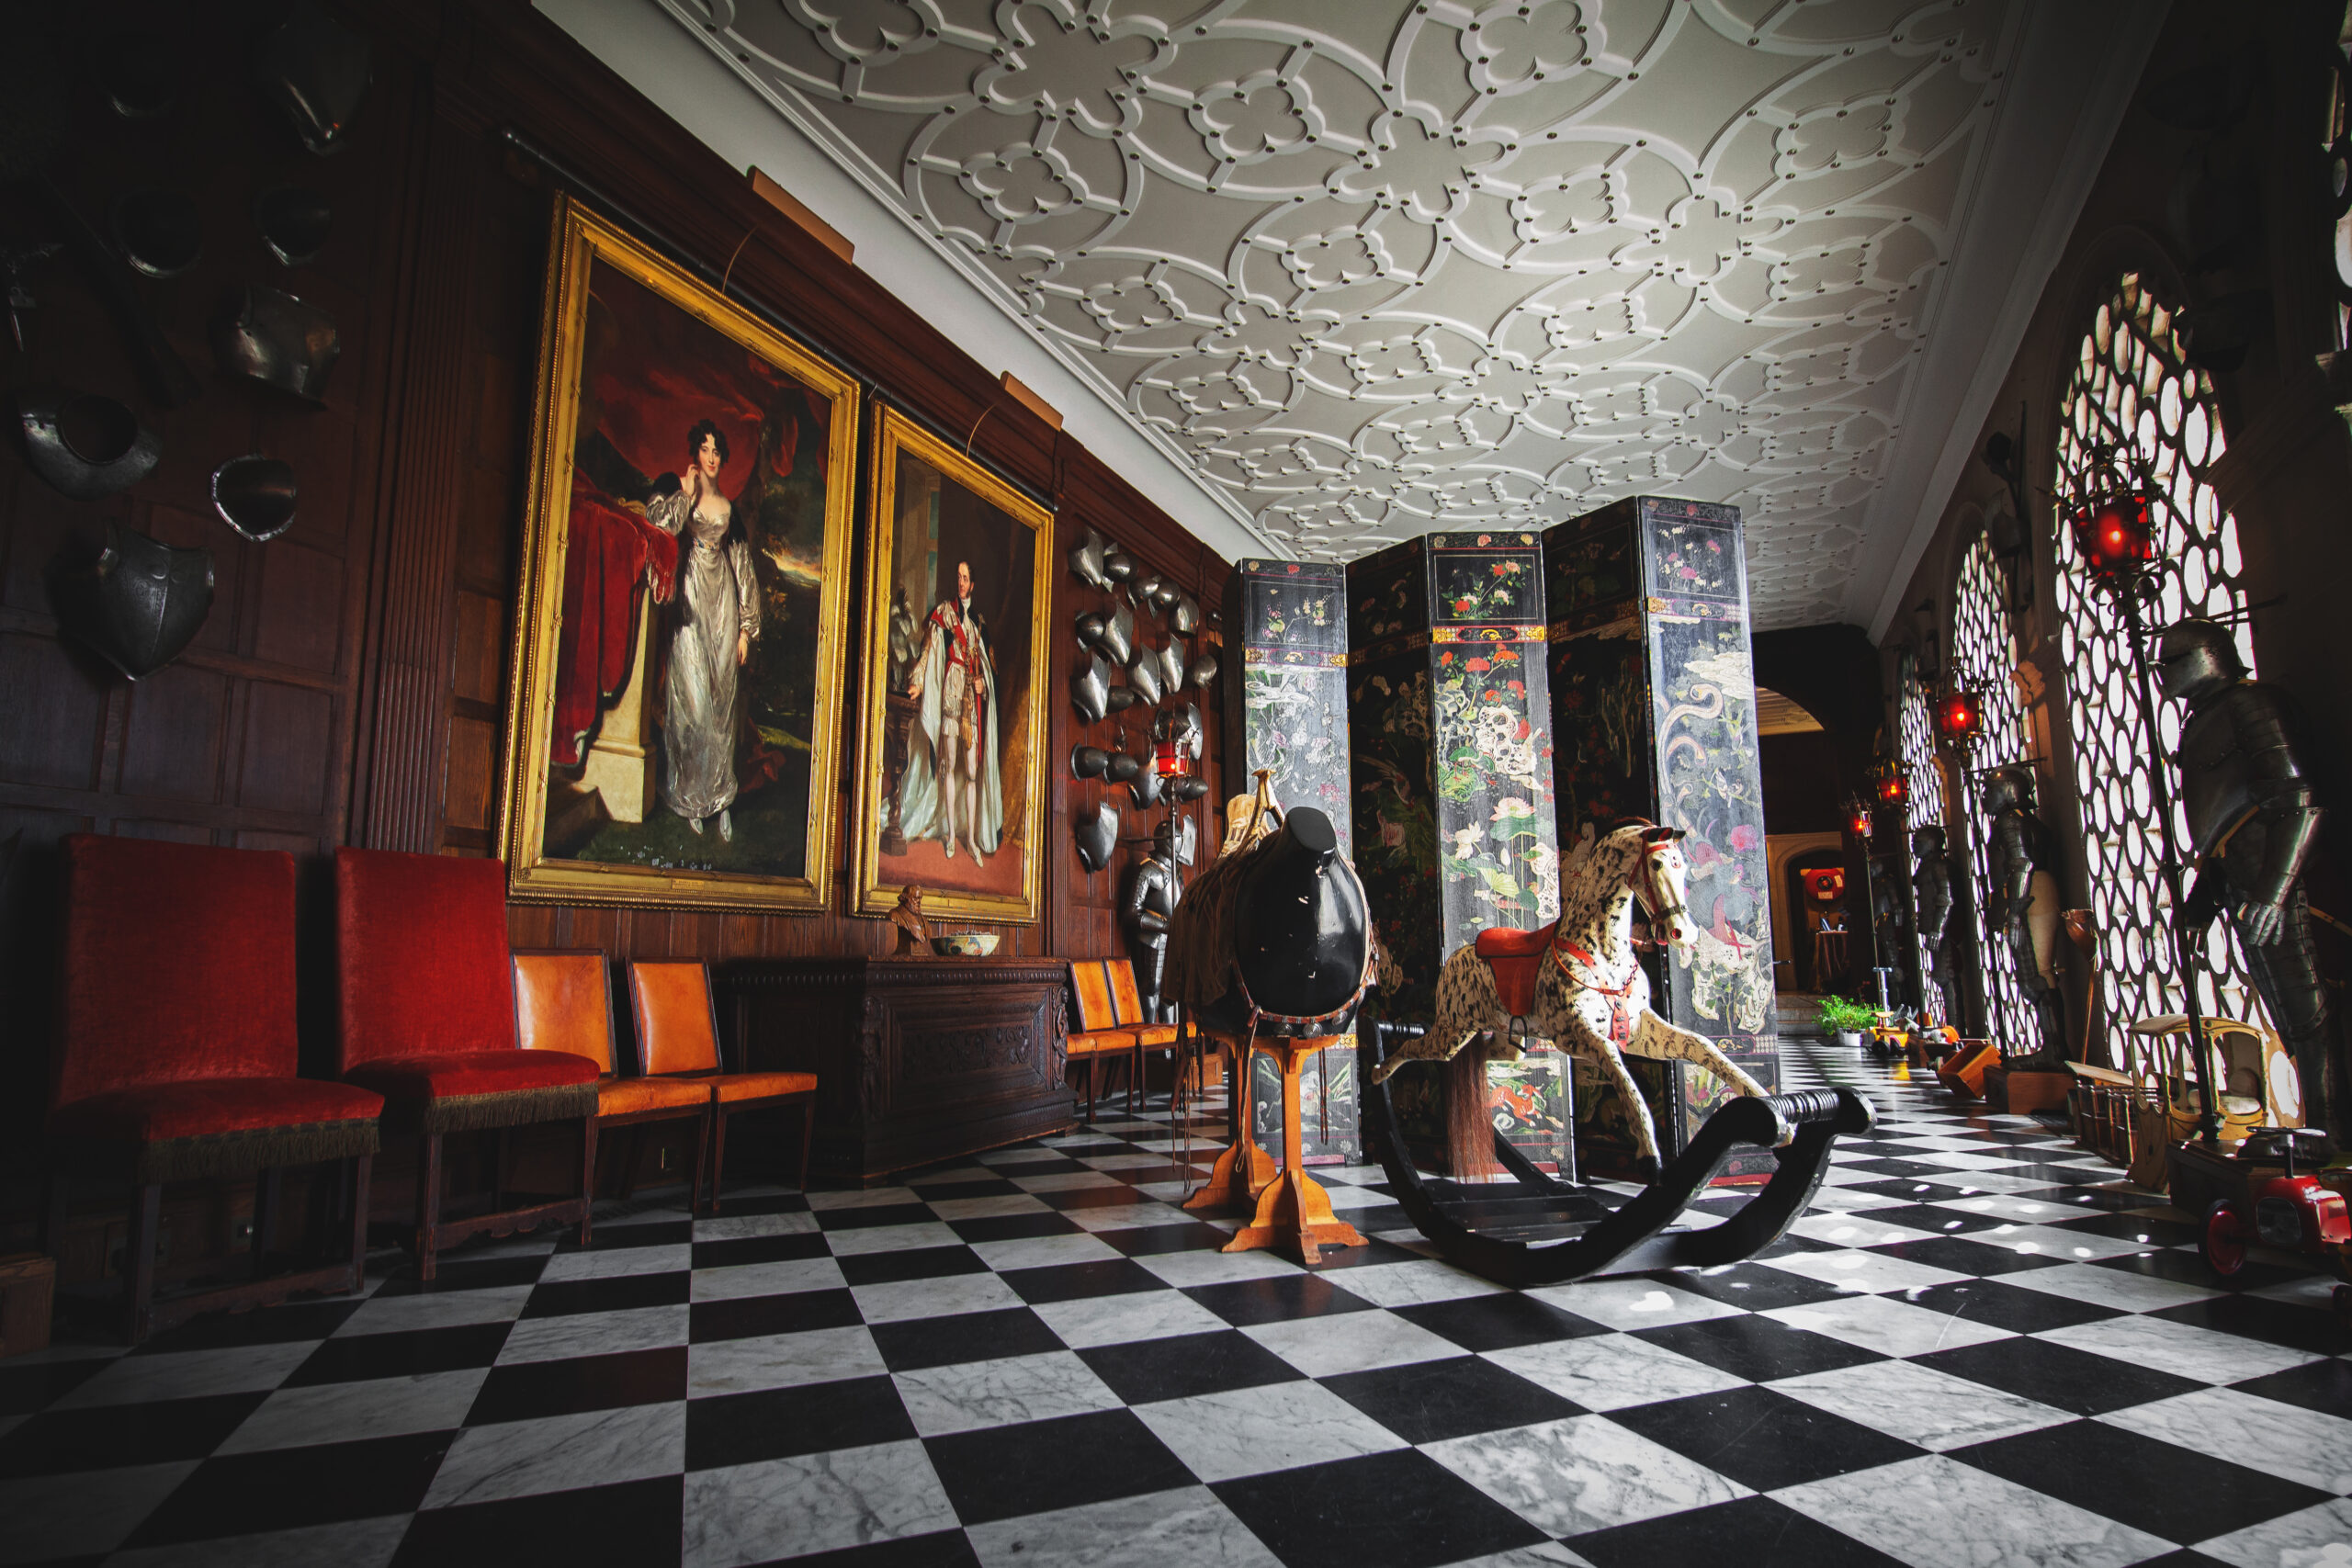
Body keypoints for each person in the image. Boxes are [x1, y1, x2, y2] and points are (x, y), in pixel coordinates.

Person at [647, 419, 760, 840]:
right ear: (695, 452)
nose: (711, 457)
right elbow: (661, 524)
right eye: (705, 449)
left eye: (716, 451)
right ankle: (691, 798)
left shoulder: (729, 508)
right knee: (692, 703)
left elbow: (743, 569)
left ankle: (721, 800)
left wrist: (745, 630)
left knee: (721, 703)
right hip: (690, 598)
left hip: (723, 602)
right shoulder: (678, 487)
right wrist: (687, 493)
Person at [901, 559, 1004, 863]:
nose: (961, 582)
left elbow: (990, 670)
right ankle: (949, 836)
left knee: (971, 772)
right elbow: (928, 651)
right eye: (958, 576)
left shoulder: (980, 624)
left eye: (965, 577)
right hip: (951, 692)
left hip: (971, 701)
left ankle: (970, 839)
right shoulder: (944, 614)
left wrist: (984, 684)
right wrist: (918, 683)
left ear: (973, 584)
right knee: (947, 765)